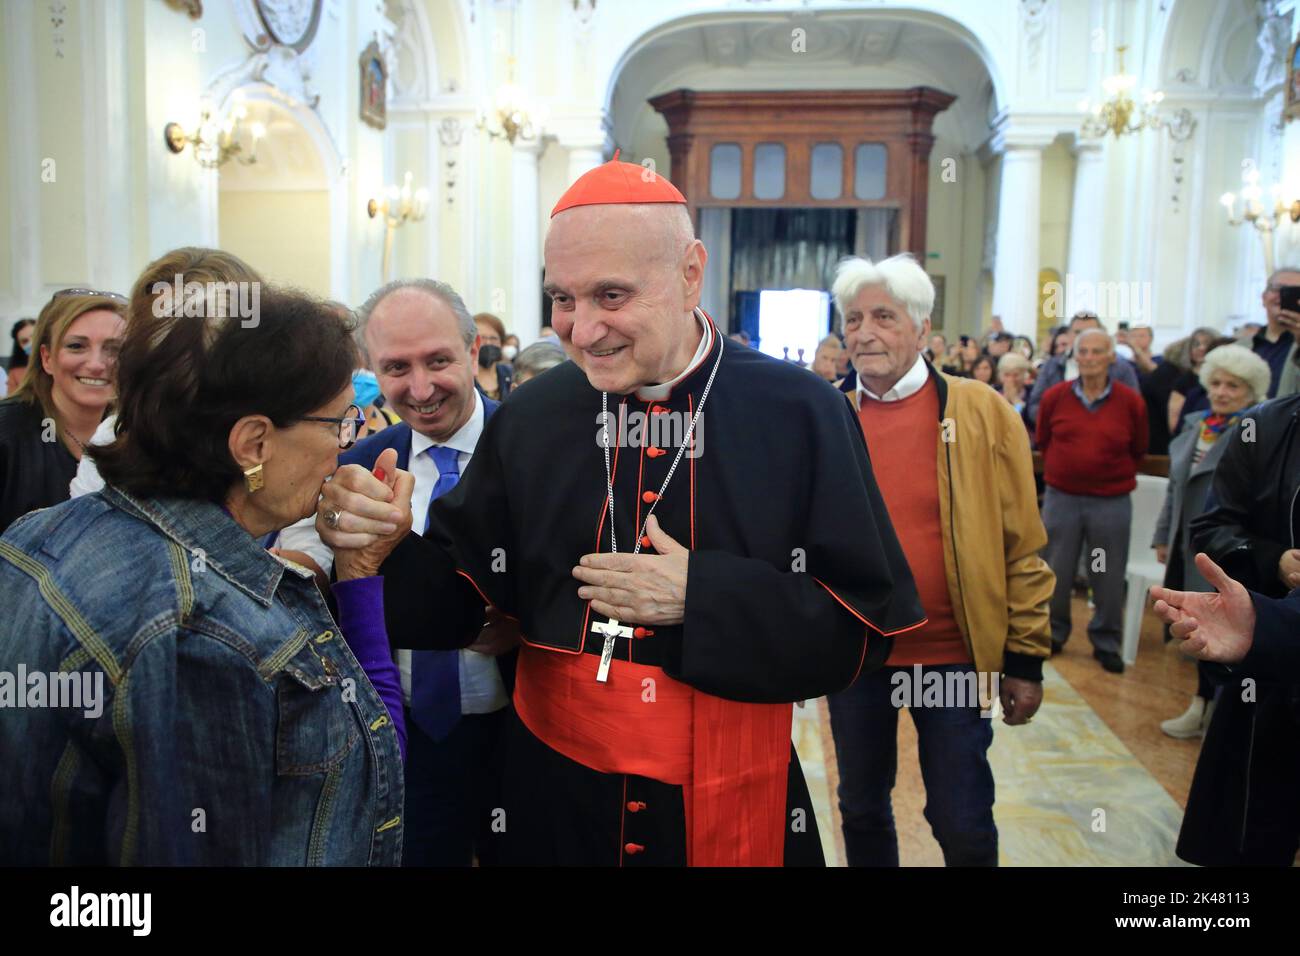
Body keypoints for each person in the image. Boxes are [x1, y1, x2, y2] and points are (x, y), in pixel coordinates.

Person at [314, 156, 926, 867]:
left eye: (611, 295)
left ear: (690, 272)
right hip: (552, 795)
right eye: (563, 299)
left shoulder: (800, 413)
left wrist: (704, 594)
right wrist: (391, 544)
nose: (581, 330)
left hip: (725, 791)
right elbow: (460, 605)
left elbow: (864, 626)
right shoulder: (536, 417)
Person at [0, 285, 410, 865]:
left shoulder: (40, 533)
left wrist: (358, 569)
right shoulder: (206, 632)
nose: (345, 449)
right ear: (253, 443)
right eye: (339, 423)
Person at [281, 278, 517, 867]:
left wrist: (527, 620)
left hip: (522, 733)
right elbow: (307, 564)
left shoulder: (532, 447)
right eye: (396, 367)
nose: (420, 388)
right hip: (403, 732)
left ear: (473, 350)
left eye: (438, 360)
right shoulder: (356, 461)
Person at [830, 254, 1052, 867]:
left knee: (962, 816)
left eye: (883, 316)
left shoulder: (981, 412)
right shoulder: (826, 413)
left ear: (923, 328)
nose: (864, 332)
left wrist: (1026, 658)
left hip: (955, 655)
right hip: (859, 656)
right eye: (853, 319)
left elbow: (1022, 546)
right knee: (861, 806)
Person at [1184, 385, 1300, 865]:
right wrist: (1275, 561)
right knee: (1253, 833)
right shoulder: (1263, 427)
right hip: (1272, 664)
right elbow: (1211, 528)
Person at [1151, 345, 1271, 738]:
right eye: (1216, 383)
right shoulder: (1195, 424)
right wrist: (1162, 535)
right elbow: (1175, 488)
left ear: (1251, 391)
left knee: (1219, 627)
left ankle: (1217, 713)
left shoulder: (1258, 430)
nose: (1222, 392)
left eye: (1233, 386)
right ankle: (1200, 706)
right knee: (1193, 625)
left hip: (1226, 546)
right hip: (1188, 539)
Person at [1037, 328, 1148, 673]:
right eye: (1082, 352)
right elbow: (1043, 439)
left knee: (1106, 572)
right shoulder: (1055, 397)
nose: (1088, 358)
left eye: (1096, 351)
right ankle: (1054, 633)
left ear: (1111, 357)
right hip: (1062, 499)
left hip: (1109, 502)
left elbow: (1139, 448)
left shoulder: (1130, 402)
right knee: (1057, 569)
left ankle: (1105, 639)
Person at [0, 290, 126, 535]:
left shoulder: (135, 434)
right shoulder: (7, 434)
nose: (97, 364)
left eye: (114, 349)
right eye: (77, 346)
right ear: (47, 358)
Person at [1025, 311, 1141, 427]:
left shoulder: (1121, 368)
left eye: (1090, 332)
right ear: (1069, 334)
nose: (1084, 337)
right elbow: (1035, 405)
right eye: (1077, 332)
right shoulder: (1052, 366)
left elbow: (1134, 409)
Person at [1168, 327, 1228, 438]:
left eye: (1206, 344)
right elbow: (1175, 425)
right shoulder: (1184, 382)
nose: (1201, 348)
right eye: (1196, 344)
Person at [1252, 267, 1300, 398]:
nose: (1283, 295)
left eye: (1294, 291)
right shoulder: (1240, 347)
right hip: (1246, 418)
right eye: (1277, 288)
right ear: (1264, 297)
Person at [473, 312, 513, 400]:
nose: (488, 343)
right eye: (482, 338)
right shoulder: (464, 376)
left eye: (493, 338)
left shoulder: (511, 374)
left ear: (501, 342)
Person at [996, 352, 1032, 423]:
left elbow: (1022, 421)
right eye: (1007, 375)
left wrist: (1016, 400)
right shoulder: (993, 393)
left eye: (1016, 375)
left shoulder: (1032, 394)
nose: (1011, 379)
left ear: (1024, 375)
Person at [6, 318, 35, 395]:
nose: (31, 343)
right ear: (20, 346)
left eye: (34, 336)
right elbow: (11, 401)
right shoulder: (15, 372)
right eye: (25, 341)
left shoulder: (58, 363)